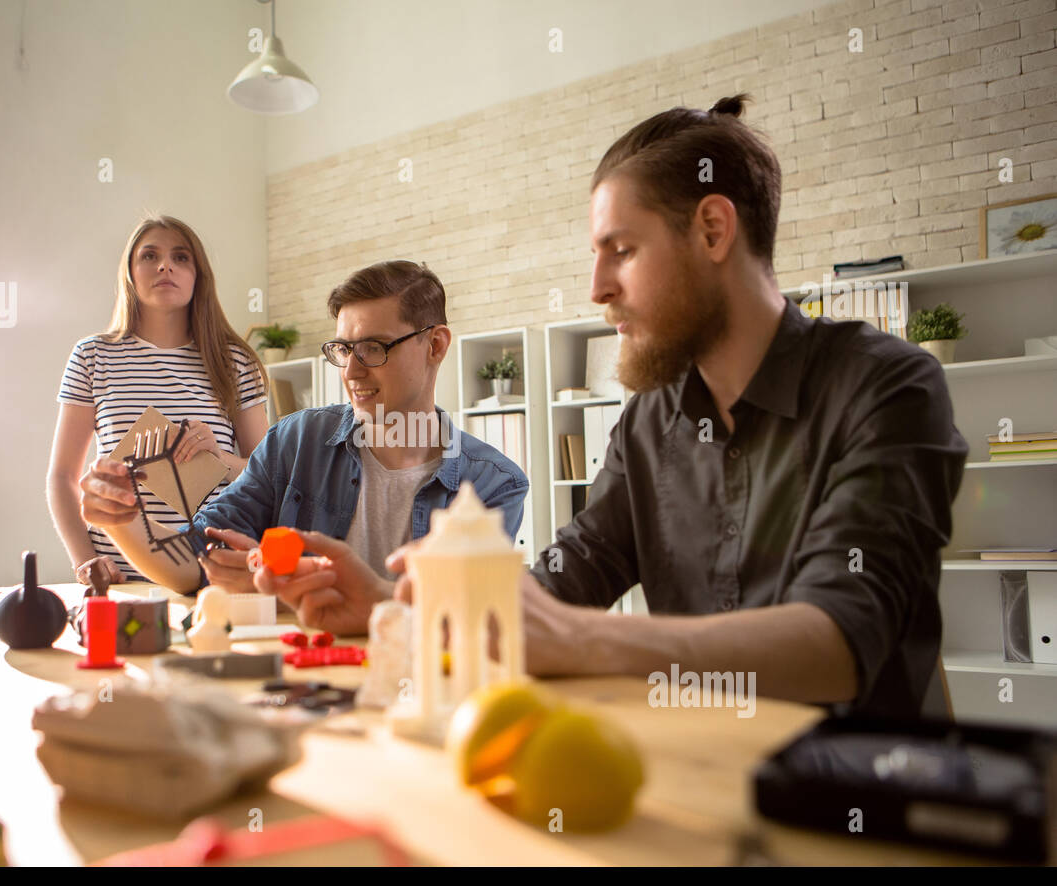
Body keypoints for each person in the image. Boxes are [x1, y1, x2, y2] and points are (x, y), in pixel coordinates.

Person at [291, 95, 969, 718]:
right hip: (695, 777)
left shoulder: (888, 388)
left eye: (621, 251)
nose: (596, 288)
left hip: (858, 805)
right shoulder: (651, 421)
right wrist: (386, 603)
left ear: (712, 230)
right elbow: (565, 583)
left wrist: (582, 640)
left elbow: (838, 642)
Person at [77, 260, 528, 622]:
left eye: (374, 347)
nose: (351, 372)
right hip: (300, 683)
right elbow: (193, 562)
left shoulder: (493, 484)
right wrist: (121, 520)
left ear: (435, 346)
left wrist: (281, 592)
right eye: (343, 350)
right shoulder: (295, 442)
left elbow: (464, 615)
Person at [47, 215, 269, 586]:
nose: (165, 265)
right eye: (150, 256)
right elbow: (62, 476)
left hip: (208, 570)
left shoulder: (235, 361)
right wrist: (86, 561)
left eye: (181, 257)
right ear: (130, 273)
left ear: (198, 276)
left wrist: (219, 459)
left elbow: (267, 476)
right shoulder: (92, 356)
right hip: (117, 575)